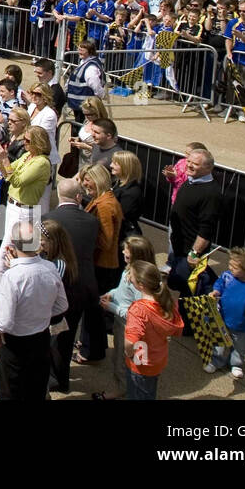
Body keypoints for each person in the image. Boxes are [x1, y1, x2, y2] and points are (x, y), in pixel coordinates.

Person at [0, 220, 68, 401]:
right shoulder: (50, 268)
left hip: (15, 346)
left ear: (14, 244)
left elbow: (4, 322)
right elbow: (62, 305)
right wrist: (41, 313)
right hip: (41, 341)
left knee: (10, 394)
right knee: (36, 392)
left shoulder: (12, 276)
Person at [47, 175, 101, 392]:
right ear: (79, 197)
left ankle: (53, 377)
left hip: (57, 285)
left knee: (52, 334)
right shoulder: (92, 221)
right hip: (82, 285)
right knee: (68, 336)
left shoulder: (47, 218)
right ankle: (61, 379)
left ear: (59, 195)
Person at [94, 234, 155, 401]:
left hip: (129, 327)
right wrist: (112, 294)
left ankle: (122, 390)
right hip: (120, 322)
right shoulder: (130, 270)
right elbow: (122, 291)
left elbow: (138, 315)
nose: (123, 252)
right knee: (118, 357)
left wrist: (112, 307)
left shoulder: (141, 283)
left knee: (123, 361)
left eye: (127, 251)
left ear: (138, 255)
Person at [204, 247, 245, 380]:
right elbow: (219, 284)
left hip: (241, 323)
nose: (230, 268)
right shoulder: (227, 276)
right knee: (218, 343)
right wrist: (216, 292)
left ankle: (236, 364)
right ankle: (215, 361)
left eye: (234, 267)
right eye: (230, 264)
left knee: (239, 345)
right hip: (222, 318)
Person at [78, 163, 123, 364]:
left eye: (87, 180)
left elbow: (106, 240)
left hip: (102, 265)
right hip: (102, 263)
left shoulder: (104, 206)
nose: (85, 184)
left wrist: (84, 236)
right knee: (93, 310)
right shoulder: (104, 199)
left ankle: (91, 351)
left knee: (93, 311)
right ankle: (91, 346)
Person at [123, 261, 185, 400]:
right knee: (148, 392)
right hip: (157, 359)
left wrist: (129, 353)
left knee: (137, 394)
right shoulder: (166, 301)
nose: (129, 277)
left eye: (131, 275)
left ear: (141, 285)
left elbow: (131, 341)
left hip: (140, 363)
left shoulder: (139, 310)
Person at [166, 146, 222, 295]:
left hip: (189, 253)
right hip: (179, 248)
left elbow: (206, 229)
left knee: (187, 290)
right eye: (188, 161)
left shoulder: (211, 193)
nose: (189, 165)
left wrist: (194, 253)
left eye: (195, 164)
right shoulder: (190, 181)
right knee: (175, 283)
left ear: (208, 168)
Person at [0, 125, 53, 259]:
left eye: (28, 141)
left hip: (23, 210)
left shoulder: (41, 163)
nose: (24, 143)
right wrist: (0, 159)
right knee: (10, 248)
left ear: (38, 142)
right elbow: (8, 172)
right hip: (13, 206)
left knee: (7, 247)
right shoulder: (27, 155)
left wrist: (4, 160)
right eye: (24, 139)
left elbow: (17, 181)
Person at [65, 39, 106, 122]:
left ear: (90, 51)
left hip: (85, 104)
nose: (79, 52)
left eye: (82, 50)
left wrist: (100, 96)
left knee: (83, 124)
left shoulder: (91, 67)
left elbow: (95, 84)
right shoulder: (84, 62)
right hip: (78, 103)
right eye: (79, 49)